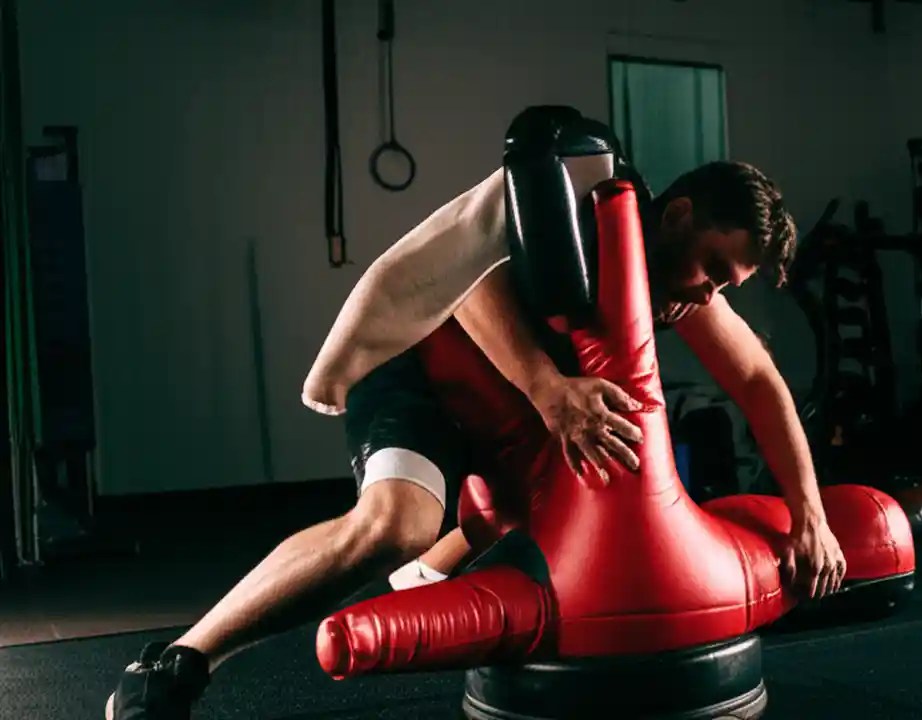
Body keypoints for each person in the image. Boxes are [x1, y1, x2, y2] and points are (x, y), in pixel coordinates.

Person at [105, 156, 846, 719]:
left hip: (504, 417)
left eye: (727, 286)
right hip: (420, 370)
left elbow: (758, 381)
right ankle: (175, 663)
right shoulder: (583, 222)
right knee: (392, 527)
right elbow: (469, 283)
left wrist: (809, 514)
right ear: (677, 214)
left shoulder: (675, 288)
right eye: (713, 269)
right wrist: (549, 389)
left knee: (582, 500)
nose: (708, 293)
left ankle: (441, 555)